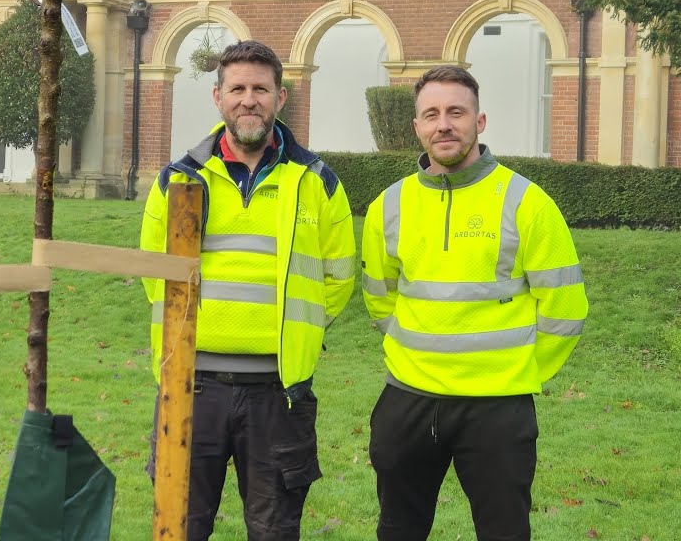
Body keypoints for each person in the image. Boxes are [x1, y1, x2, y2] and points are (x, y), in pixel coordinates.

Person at [139, 39, 355, 540]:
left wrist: (293, 333)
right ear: (218, 97)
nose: (249, 99)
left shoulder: (316, 181)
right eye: (237, 88)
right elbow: (153, 273)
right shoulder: (179, 178)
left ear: (281, 98)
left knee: (275, 530)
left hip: (278, 393)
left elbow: (339, 277)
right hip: (190, 387)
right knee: (180, 527)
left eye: (261, 88)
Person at [361, 65, 587, 541]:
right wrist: (417, 357)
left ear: (479, 122)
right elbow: (379, 298)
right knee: (398, 529)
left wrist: (517, 372)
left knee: (503, 531)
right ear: (417, 127)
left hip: (497, 407)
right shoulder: (389, 205)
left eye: (456, 112)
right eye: (431, 114)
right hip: (408, 400)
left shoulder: (526, 202)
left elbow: (564, 309)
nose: (444, 124)